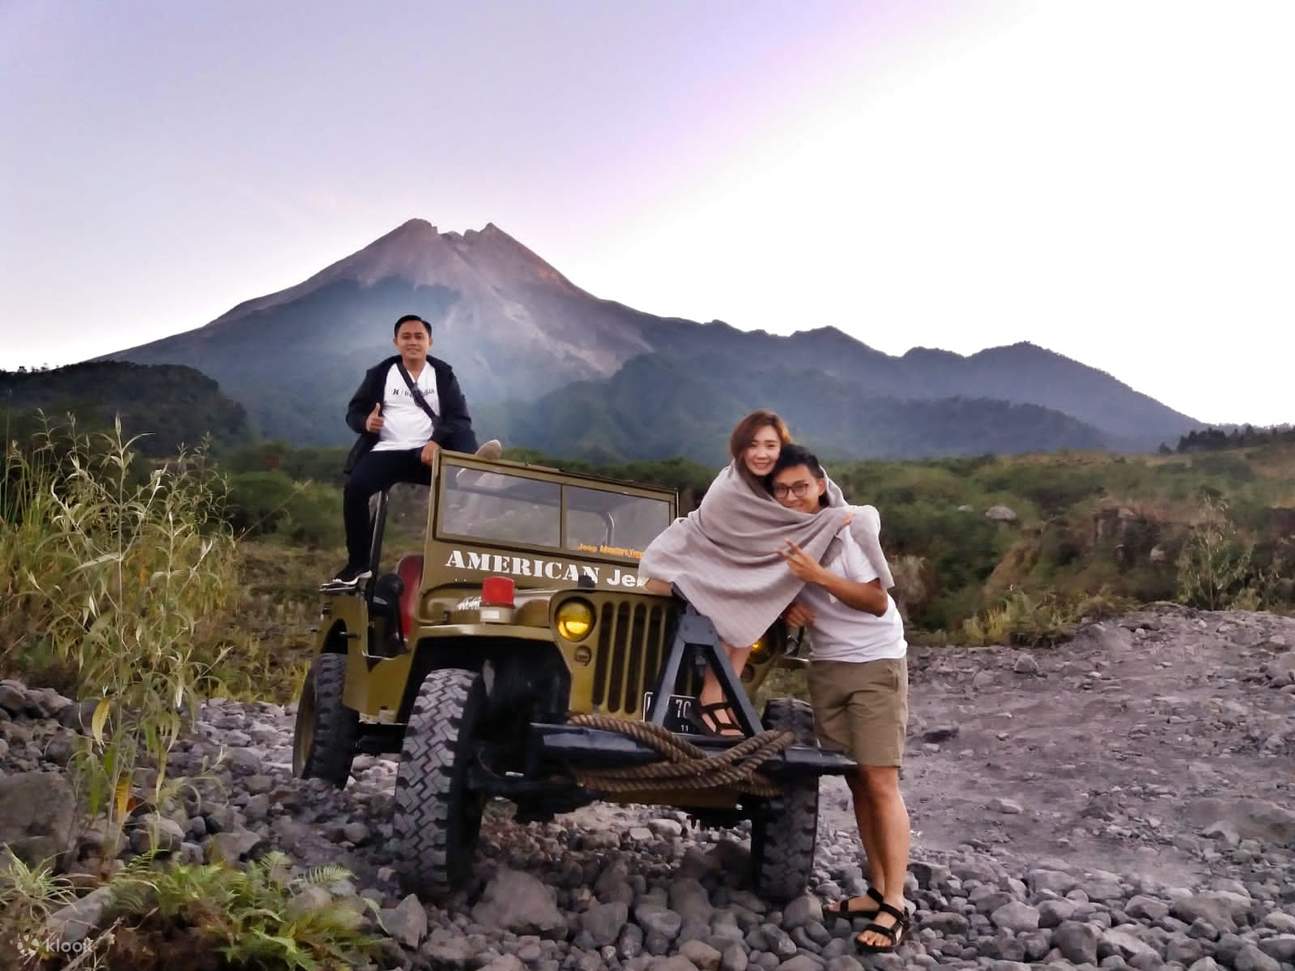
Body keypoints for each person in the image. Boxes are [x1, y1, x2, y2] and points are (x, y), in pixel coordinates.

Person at [638, 411, 893, 735]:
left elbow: (814, 512)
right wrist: (834, 520)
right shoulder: (728, 490)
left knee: (755, 605)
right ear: (739, 449)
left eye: (771, 445)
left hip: (723, 577)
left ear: (782, 448)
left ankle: (722, 699)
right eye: (753, 445)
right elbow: (740, 550)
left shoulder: (785, 482)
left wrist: (853, 517)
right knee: (740, 601)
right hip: (679, 565)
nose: (762, 453)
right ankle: (712, 700)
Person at [772, 444, 910, 954]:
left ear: (820, 484)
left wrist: (818, 577)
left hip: (874, 662)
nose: (792, 497)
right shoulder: (781, 538)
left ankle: (896, 904)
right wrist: (789, 603)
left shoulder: (852, 527)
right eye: (782, 489)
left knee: (881, 780)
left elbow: (877, 601)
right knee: (856, 779)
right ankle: (876, 889)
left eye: (800, 487)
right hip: (827, 667)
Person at [327, 314, 500, 590]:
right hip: (389, 450)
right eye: (406, 336)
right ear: (396, 342)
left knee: (462, 431)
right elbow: (354, 412)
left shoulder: (442, 375)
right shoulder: (380, 374)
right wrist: (365, 422)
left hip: (429, 452)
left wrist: (435, 442)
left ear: (430, 342)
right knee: (355, 489)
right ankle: (358, 565)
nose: (412, 342)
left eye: (419, 336)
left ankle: (469, 467)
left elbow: (458, 417)